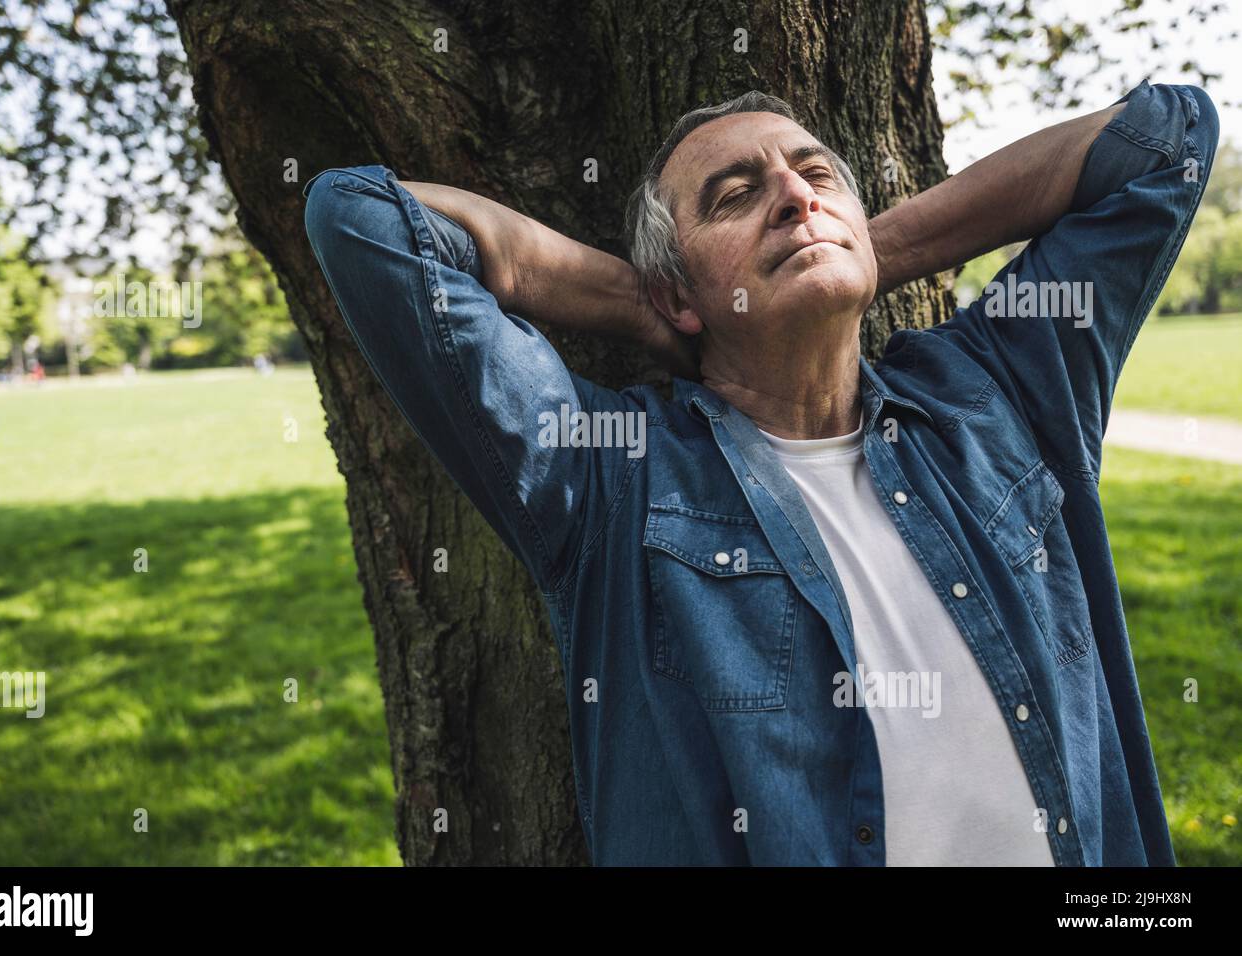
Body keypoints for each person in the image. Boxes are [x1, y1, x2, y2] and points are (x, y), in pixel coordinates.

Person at [302, 78, 1217, 865]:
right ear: (676, 290)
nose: (793, 194)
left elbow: (1164, 139)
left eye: (817, 176)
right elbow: (363, 218)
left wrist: (867, 249)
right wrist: (639, 302)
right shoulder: (613, 477)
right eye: (735, 197)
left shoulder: (998, 392)